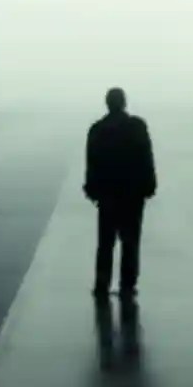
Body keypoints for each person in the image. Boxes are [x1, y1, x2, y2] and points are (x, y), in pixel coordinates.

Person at [84, 87, 156, 297]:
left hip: (107, 195)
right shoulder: (137, 127)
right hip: (132, 195)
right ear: (124, 103)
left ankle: (102, 284)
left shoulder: (97, 129)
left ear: (107, 104)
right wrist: (149, 186)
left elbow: (92, 163)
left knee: (105, 242)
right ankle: (127, 285)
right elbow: (146, 159)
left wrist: (92, 190)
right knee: (131, 242)